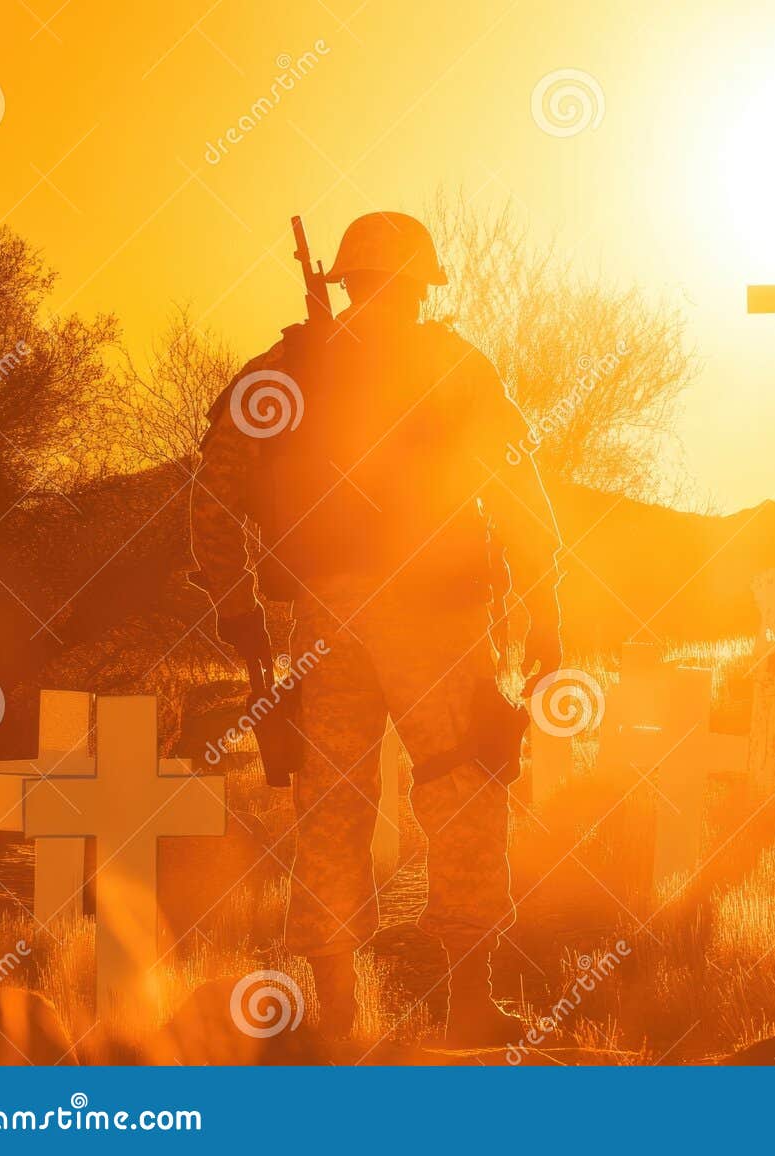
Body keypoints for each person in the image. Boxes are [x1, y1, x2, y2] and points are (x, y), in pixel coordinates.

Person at [189, 211, 562, 1046]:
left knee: (331, 807)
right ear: (424, 283)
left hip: (324, 616)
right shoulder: (453, 366)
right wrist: (549, 612)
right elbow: (520, 496)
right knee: (463, 788)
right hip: (434, 609)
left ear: (347, 277)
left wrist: (238, 609)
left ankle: (335, 1014)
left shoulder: (285, 367)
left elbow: (213, 497)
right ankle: (469, 1005)